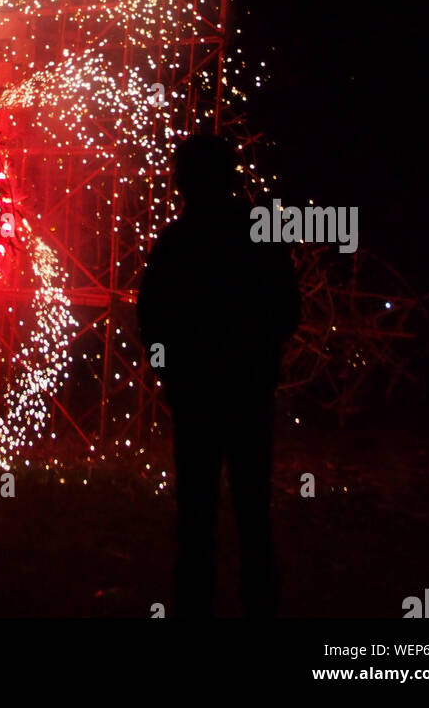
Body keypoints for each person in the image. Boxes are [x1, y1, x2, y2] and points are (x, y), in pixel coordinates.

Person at [136, 133, 300, 618]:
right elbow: (288, 308)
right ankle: (260, 603)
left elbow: (151, 318)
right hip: (247, 388)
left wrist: (172, 375)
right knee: (253, 509)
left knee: (196, 512)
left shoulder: (177, 240)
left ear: (183, 179)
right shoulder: (260, 236)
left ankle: (194, 604)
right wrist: (262, 357)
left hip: (198, 394)